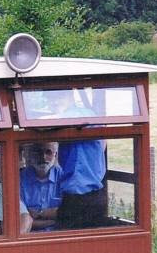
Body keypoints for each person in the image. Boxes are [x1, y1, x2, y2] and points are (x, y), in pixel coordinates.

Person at [49, 92, 107, 229]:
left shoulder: (80, 114)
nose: (53, 103)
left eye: (56, 97)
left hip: (85, 196)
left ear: (69, 96)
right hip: (75, 195)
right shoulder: (66, 119)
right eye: (49, 100)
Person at [19, 142, 62, 231]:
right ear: (29, 155)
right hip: (29, 239)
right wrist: (54, 217)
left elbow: (69, 214)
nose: (43, 157)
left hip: (59, 237)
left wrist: (39, 214)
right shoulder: (19, 179)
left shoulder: (64, 177)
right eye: (38, 152)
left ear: (56, 154)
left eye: (48, 152)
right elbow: (21, 223)